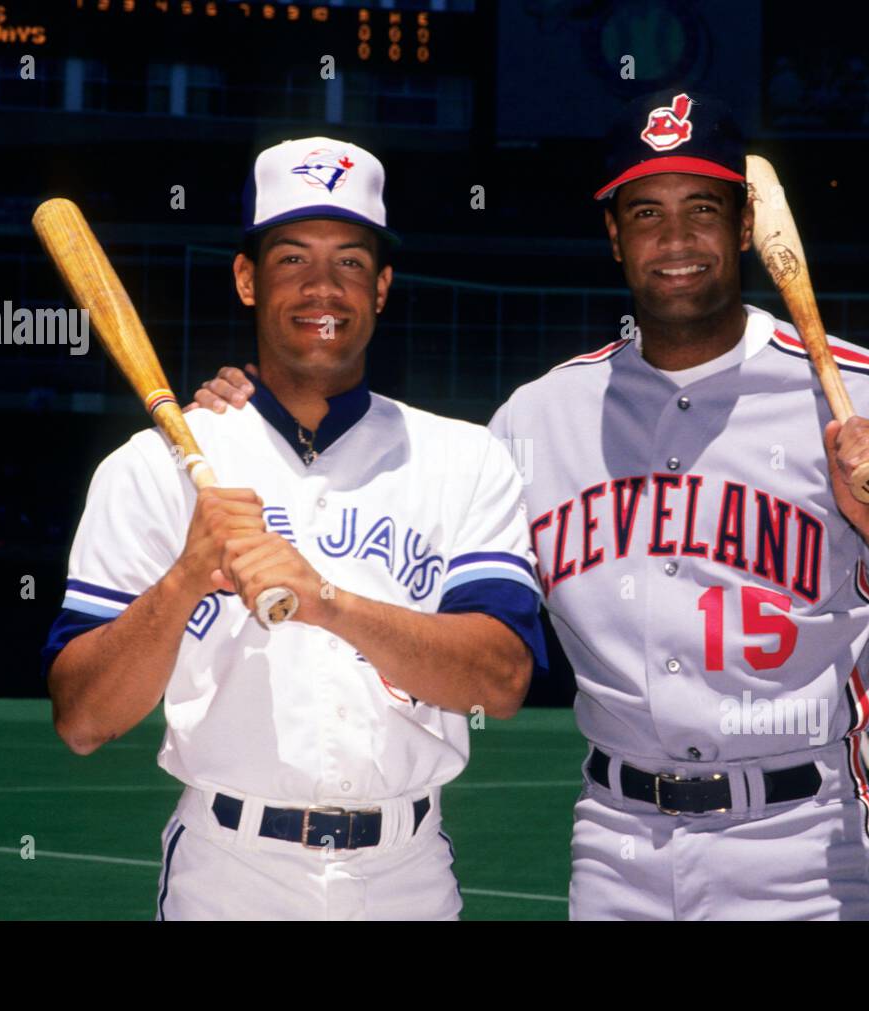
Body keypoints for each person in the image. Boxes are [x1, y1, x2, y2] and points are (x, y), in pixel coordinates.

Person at [196, 91, 869, 920]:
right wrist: (272, 408)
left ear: (746, 223)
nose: (676, 240)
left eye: (702, 208)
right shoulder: (534, 420)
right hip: (616, 847)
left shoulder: (857, 400)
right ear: (613, 234)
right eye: (646, 211)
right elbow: (419, 557)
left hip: (803, 841)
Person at [43, 137, 546, 921]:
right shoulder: (152, 468)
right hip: (229, 873)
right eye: (291, 260)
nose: (323, 287)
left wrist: (326, 600)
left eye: (349, 261)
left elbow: (502, 680)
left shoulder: (464, 456)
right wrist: (184, 579)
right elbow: (82, 718)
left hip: (407, 877)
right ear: (247, 279)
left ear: (381, 286)